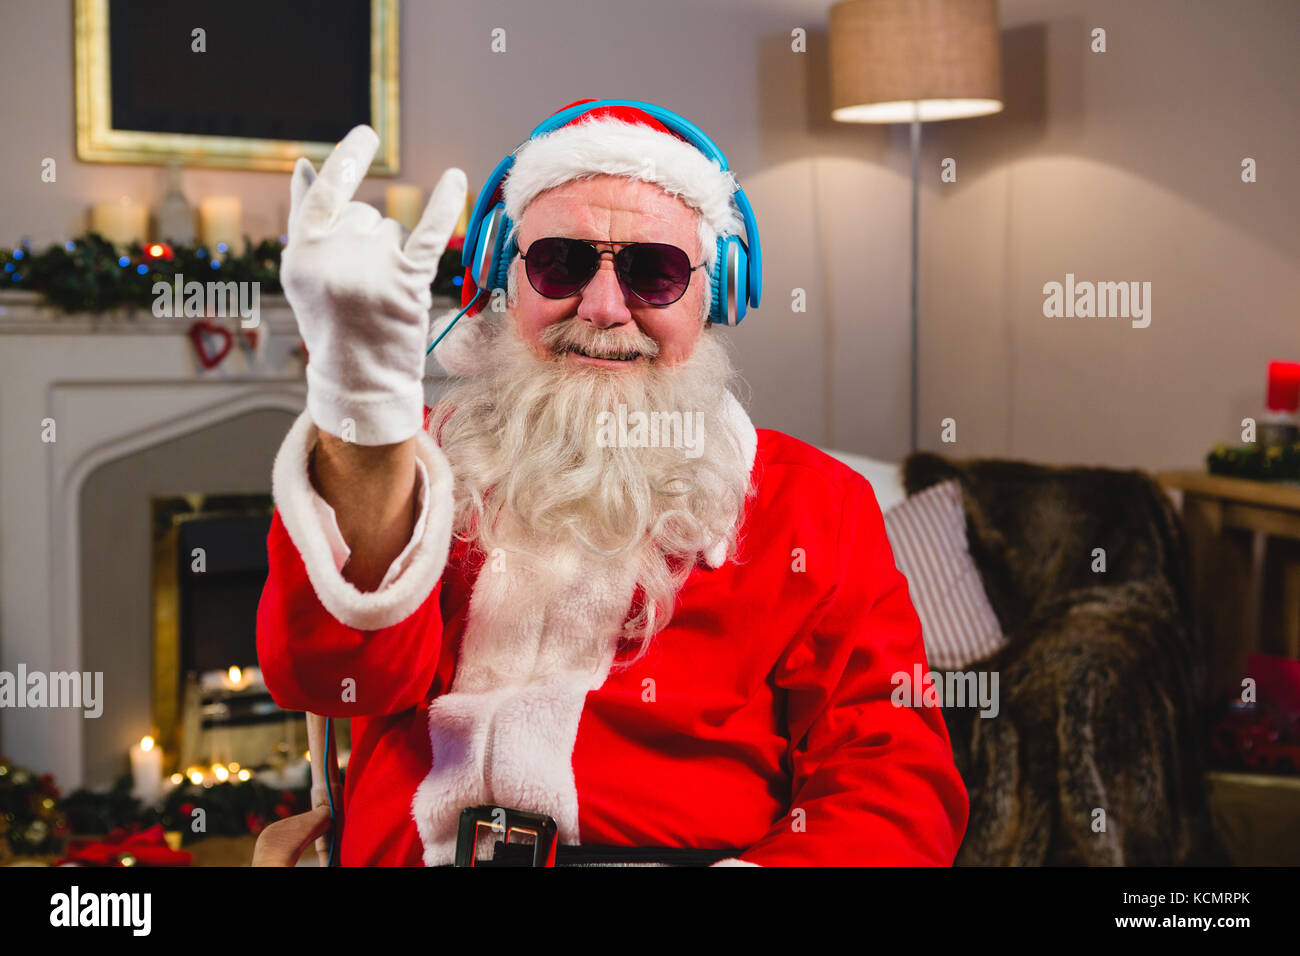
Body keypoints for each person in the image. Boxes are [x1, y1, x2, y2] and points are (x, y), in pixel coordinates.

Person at [256, 99, 968, 866]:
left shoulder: (813, 504)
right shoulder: (416, 462)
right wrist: (360, 408)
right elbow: (331, 680)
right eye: (558, 263)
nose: (600, 308)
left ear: (716, 292)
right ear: (507, 276)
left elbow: (896, 782)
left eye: (652, 272)